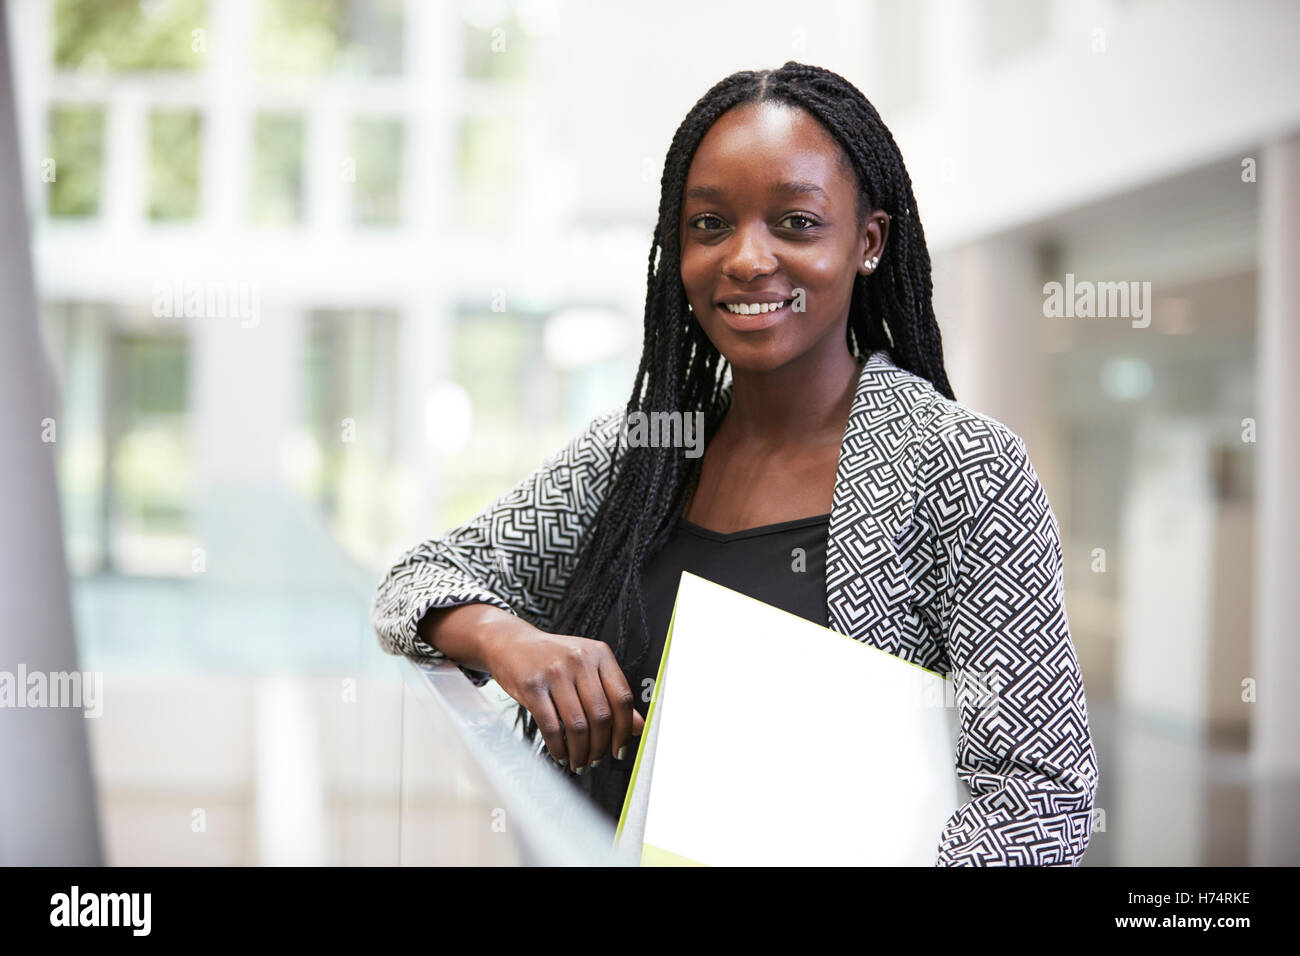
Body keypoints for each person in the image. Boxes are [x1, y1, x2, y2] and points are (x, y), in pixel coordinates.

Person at [371, 62, 1100, 866]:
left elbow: (1041, 795)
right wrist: (508, 640)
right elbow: (414, 582)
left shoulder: (959, 467)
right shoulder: (645, 454)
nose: (747, 260)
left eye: (795, 221)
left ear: (868, 242)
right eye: (710, 225)